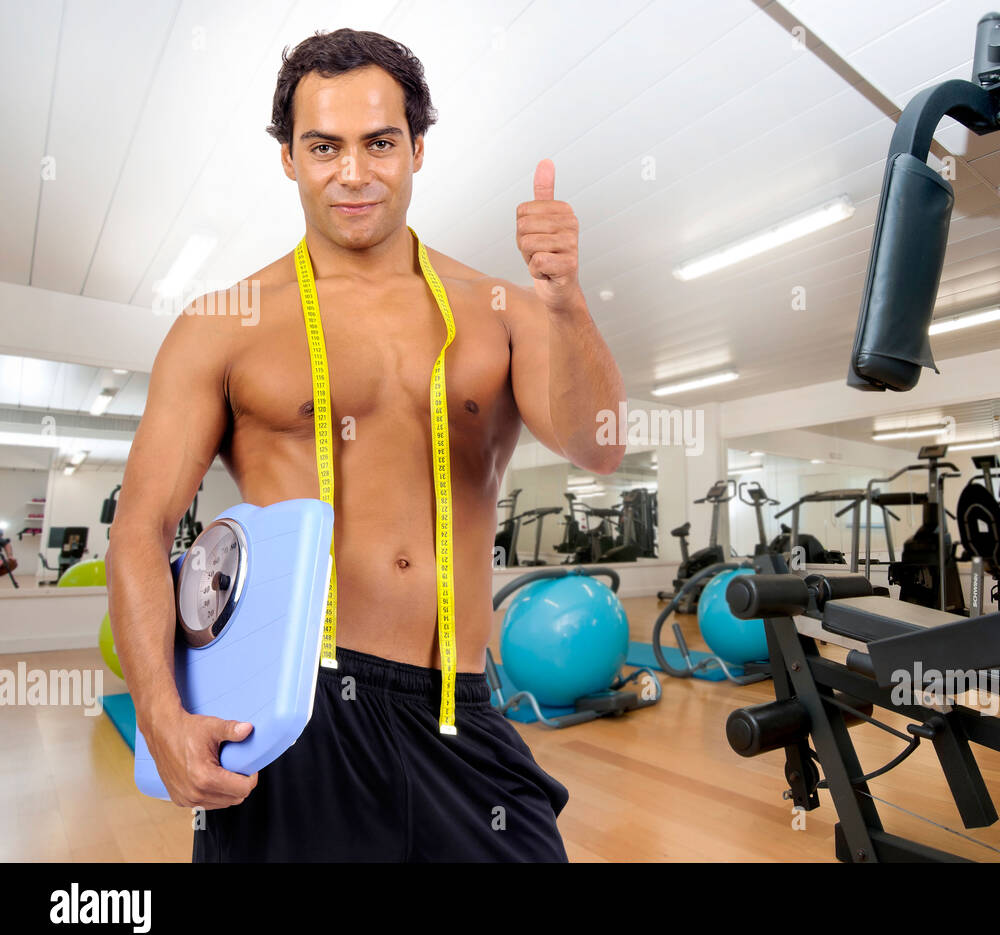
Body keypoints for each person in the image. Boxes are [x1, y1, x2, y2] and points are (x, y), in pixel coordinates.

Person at [107, 28, 625, 862]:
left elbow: (598, 448)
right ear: (288, 158)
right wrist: (159, 715)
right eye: (324, 147)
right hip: (295, 708)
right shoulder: (221, 326)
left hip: (460, 703)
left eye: (380, 143)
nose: (353, 173)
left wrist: (565, 302)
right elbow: (140, 527)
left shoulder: (499, 308)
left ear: (417, 148)